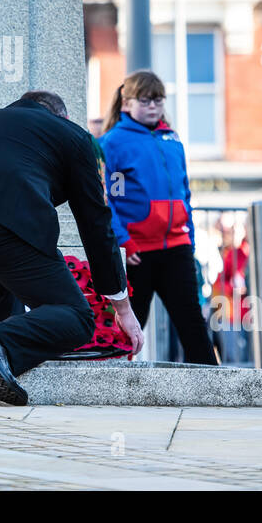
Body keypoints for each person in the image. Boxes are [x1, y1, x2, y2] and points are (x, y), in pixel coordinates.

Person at [0, 90, 145, 405]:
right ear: (62, 117)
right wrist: (123, 308)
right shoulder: (71, 135)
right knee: (76, 317)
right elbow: (96, 224)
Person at [97, 71, 215, 365]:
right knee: (129, 324)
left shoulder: (172, 140)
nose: (153, 105)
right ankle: (113, 382)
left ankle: (212, 383)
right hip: (137, 252)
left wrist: (190, 237)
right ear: (126, 103)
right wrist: (123, 241)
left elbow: (184, 192)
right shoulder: (112, 143)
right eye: (145, 100)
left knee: (191, 320)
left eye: (158, 99)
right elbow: (107, 199)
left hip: (177, 245)